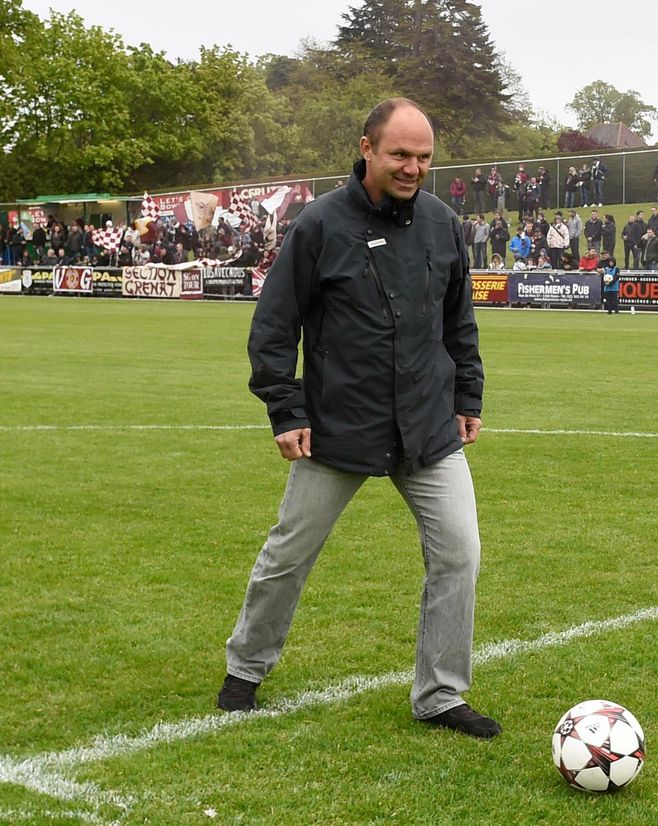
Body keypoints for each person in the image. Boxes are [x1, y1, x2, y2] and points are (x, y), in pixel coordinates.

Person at [217, 97, 500, 739]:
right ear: (367, 148)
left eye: (424, 157)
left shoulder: (443, 223)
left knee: (460, 553)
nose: (413, 167)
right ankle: (246, 668)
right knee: (289, 552)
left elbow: (459, 323)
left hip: (429, 423)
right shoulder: (319, 226)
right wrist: (284, 408)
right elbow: (274, 325)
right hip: (339, 423)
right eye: (401, 154)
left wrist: (468, 399)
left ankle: (441, 694)